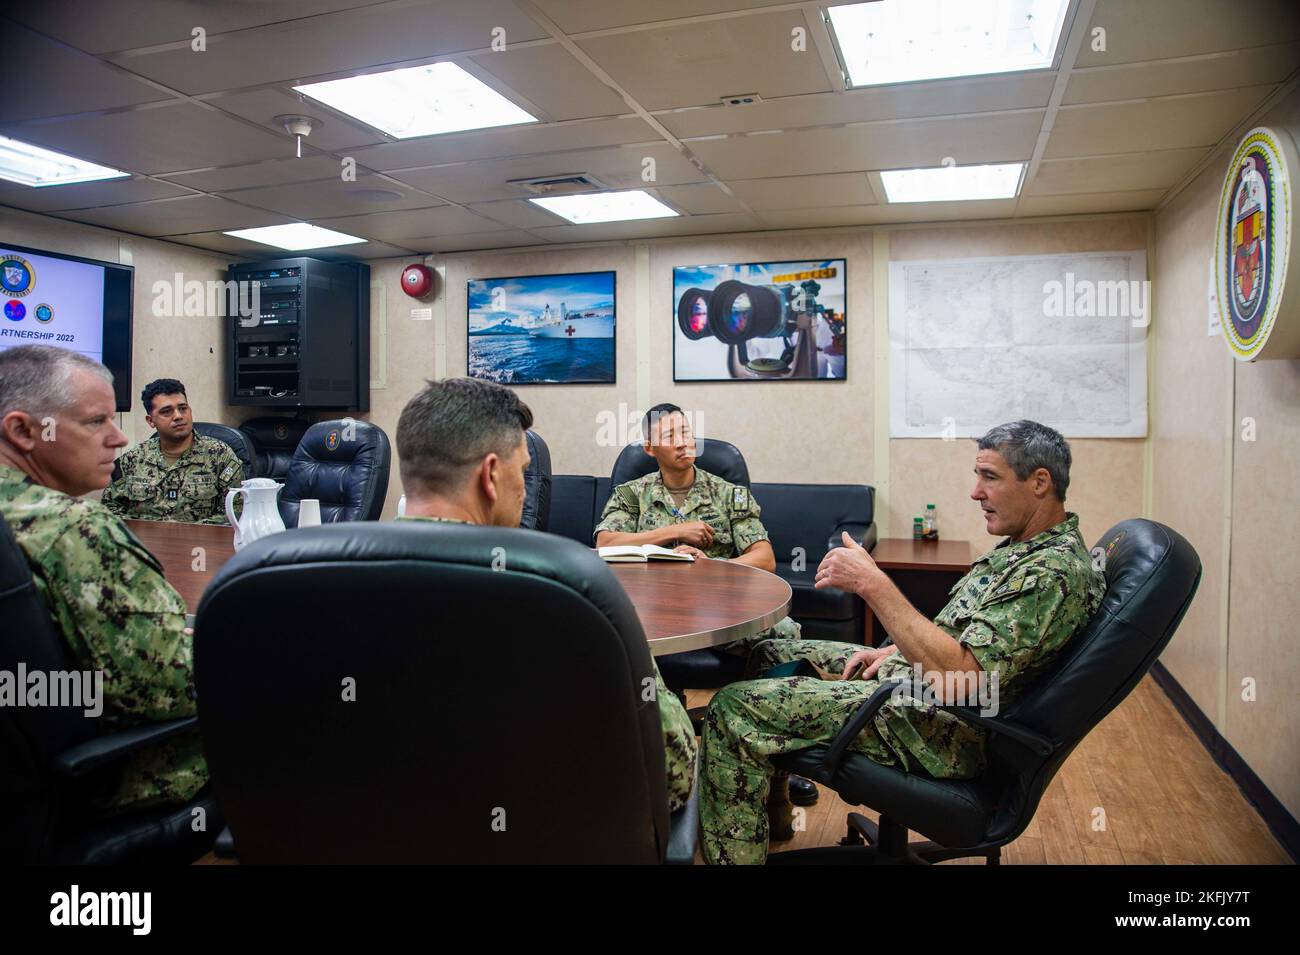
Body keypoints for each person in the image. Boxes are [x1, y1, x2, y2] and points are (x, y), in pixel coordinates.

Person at [700, 420, 1107, 864]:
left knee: (731, 707)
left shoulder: (1049, 574)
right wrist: (896, 649)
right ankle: (775, 813)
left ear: (1039, 482)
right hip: (918, 689)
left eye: (989, 477)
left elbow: (963, 680)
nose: (975, 492)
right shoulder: (1027, 549)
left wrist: (874, 584)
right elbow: (976, 641)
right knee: (769, 653)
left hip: (939, 726)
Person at [394, 378, 697, 812]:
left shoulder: (310, 581)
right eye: (522, 471)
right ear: (492, 476)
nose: (524, 488)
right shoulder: (569, 595)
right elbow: (672, 772)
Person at [0, 346, 206, 811]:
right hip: (125, 773)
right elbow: (174, 685)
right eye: (96, 422)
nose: (118, 439)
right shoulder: (71, 529)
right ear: (22, 431)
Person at [594, 403, 801, 651]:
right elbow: (604, 544)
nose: (683, 442)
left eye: (686, 432)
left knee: (786, 631)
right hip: (651, 607)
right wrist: (675, 531)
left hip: (717, 607)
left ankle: (758, 690)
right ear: (650, 448)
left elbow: (765, 559)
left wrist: (711, 566)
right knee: (611, 635)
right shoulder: (631, 494)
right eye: (670, 436)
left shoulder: (729, 493)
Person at [101, 378, 243, 524]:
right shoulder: (132, 460)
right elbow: (110, 509)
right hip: (144, 543)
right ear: (151, 421)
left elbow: (236, 510)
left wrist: (190, 533)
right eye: (167, 412)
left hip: (201, 545)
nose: (178, 416)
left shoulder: (220, 456)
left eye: (183, 408)